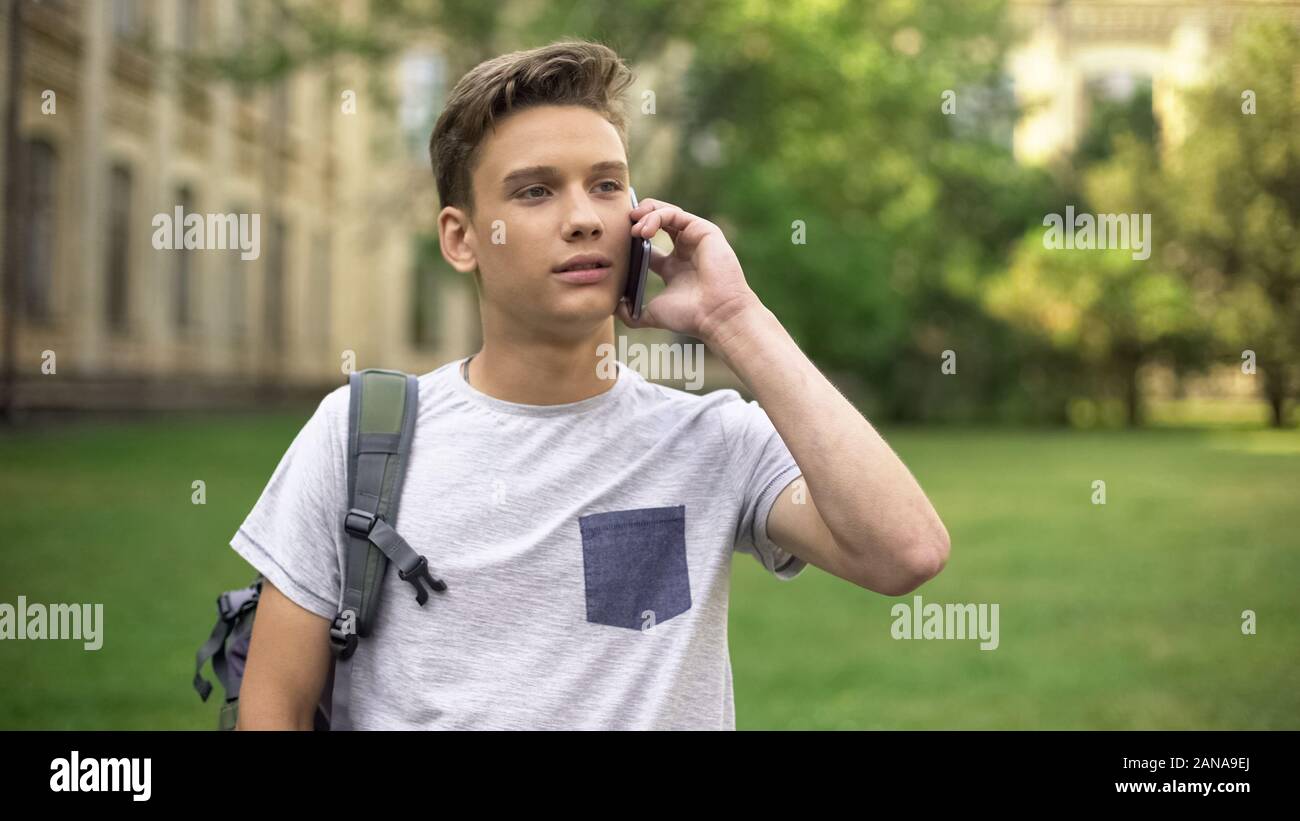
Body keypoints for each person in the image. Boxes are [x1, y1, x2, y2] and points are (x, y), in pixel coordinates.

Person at [232, 39, 950, 730]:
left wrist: (736, 319)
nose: (582, 218)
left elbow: (906, 551)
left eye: (606, 185)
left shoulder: (715, 439)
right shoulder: (358, 435)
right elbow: (274, 712)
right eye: (536, 191)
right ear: (461, 237)